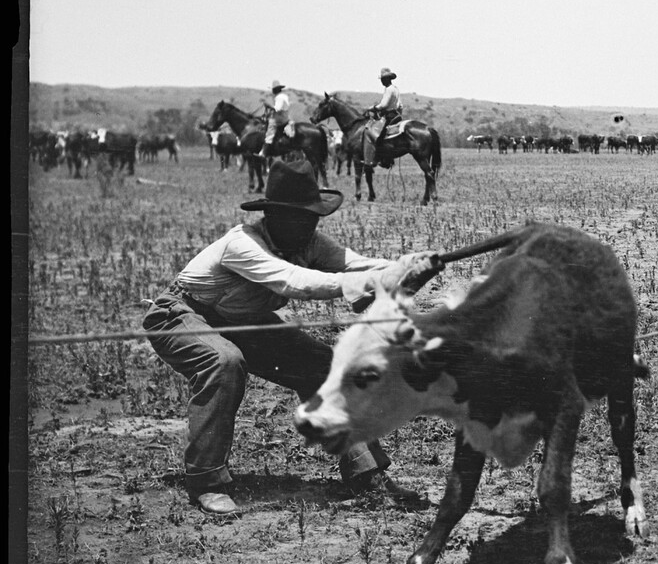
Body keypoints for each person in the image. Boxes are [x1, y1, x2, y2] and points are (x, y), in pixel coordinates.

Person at [142, 155, 438, 515]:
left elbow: (355, 264)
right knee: (224, 362)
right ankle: (206, 480)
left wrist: (409, 266)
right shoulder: (243, 243)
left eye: (314, 215)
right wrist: (376, 279)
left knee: (325, 365)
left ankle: (367, 473)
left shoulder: (310, 241)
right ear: (275, 215)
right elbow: (295, 282)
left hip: (245, 320)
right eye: (301, 216)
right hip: (181, 314)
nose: (310, 224)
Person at [364, 67, 402, 168]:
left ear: (386, 79)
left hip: (389, 115)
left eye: (382, 79)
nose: (381, 81)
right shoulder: (395, 89)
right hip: (396, 114)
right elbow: (400, 105)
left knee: (379, 138)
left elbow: (384, 105)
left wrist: (373, 108)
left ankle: (380, 159)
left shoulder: (389, 90)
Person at [261, 80, 292, 159]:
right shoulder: (284, 96)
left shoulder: (279, 97)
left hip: (280, 118)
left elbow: (277, 109)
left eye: (273, 89)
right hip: (286, 117)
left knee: (270, 128)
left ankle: (265, 152)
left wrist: (268, 105)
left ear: (275, 90)